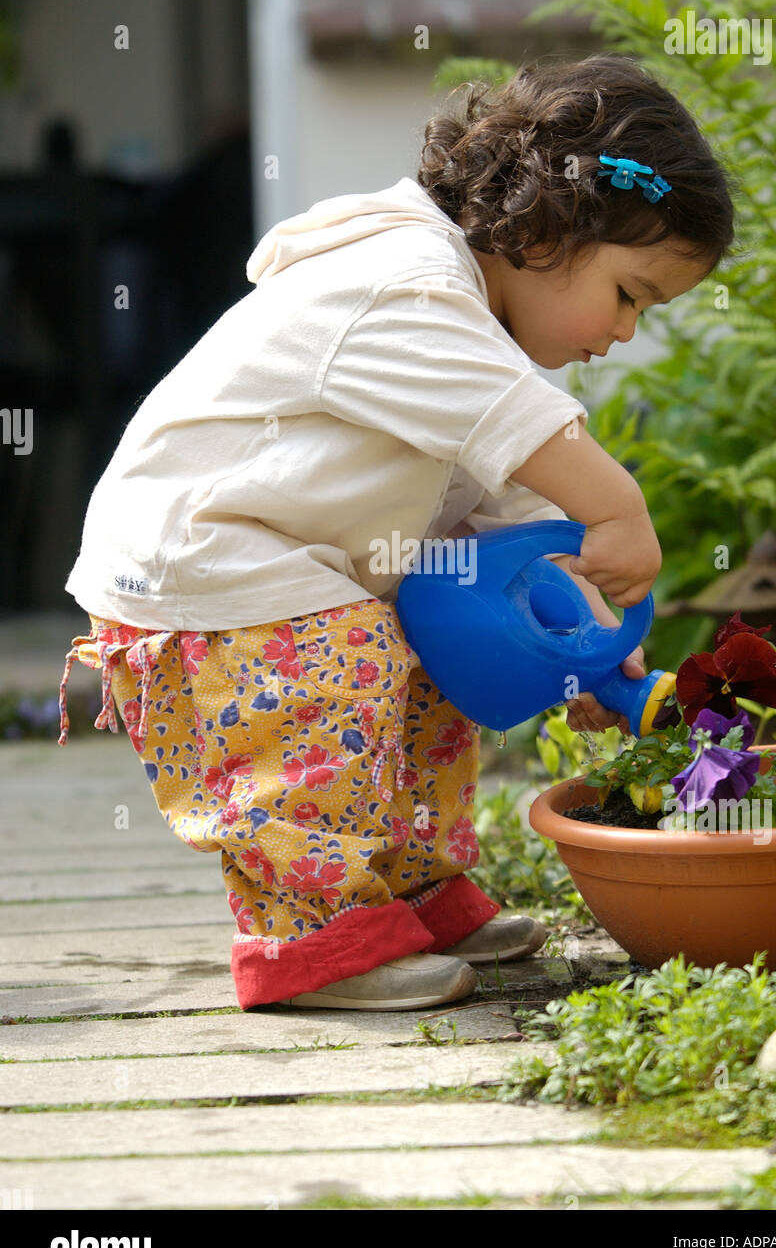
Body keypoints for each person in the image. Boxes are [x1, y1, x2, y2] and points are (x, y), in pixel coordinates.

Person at [56, 55, 736, 1013]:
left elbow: (504, 509)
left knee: (433, 658)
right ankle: (313, 937)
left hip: (285, 576)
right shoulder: (403, 286)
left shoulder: (464, 322)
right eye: (631, 295)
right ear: (550, 223)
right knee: (333, 692)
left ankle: (407, 887)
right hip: (207, 580)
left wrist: (582, 653)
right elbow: (521, 424)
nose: (626, 332)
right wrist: (617, 510)